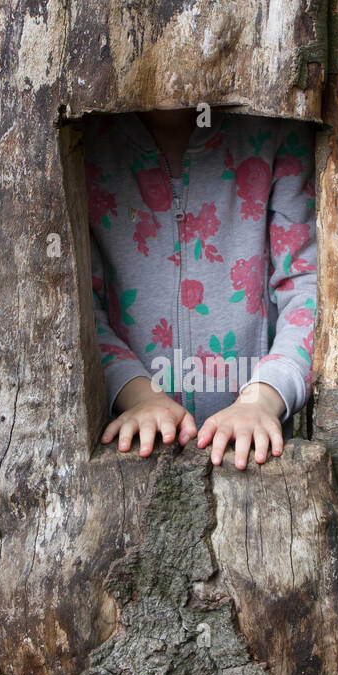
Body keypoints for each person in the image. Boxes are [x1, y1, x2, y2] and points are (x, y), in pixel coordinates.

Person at [83, 106, 317, 469]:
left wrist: (262, 400)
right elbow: (77, 309)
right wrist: (141, 398)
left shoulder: (275, 128)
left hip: (258, 460)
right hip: (134, 458)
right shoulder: (84, 144)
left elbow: (308, 290)